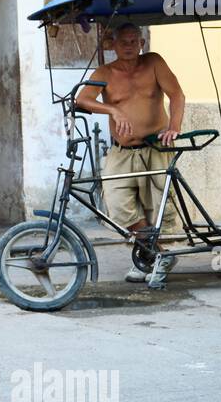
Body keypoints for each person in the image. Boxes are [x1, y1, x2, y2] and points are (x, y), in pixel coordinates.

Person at [77, 22, 186, 285]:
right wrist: (113, 111)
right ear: (113, 45)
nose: (128, 46)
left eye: (133, 41)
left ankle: (150, 260)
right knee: (117, 205)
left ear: (141, 43)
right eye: (122, 41)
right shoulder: (105, 71)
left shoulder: (154, 63)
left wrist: (174, 128)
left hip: (155, 146)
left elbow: (177, 94)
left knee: (158, 206)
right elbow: (81, 99)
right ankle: (156, 254)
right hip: (122, 150)